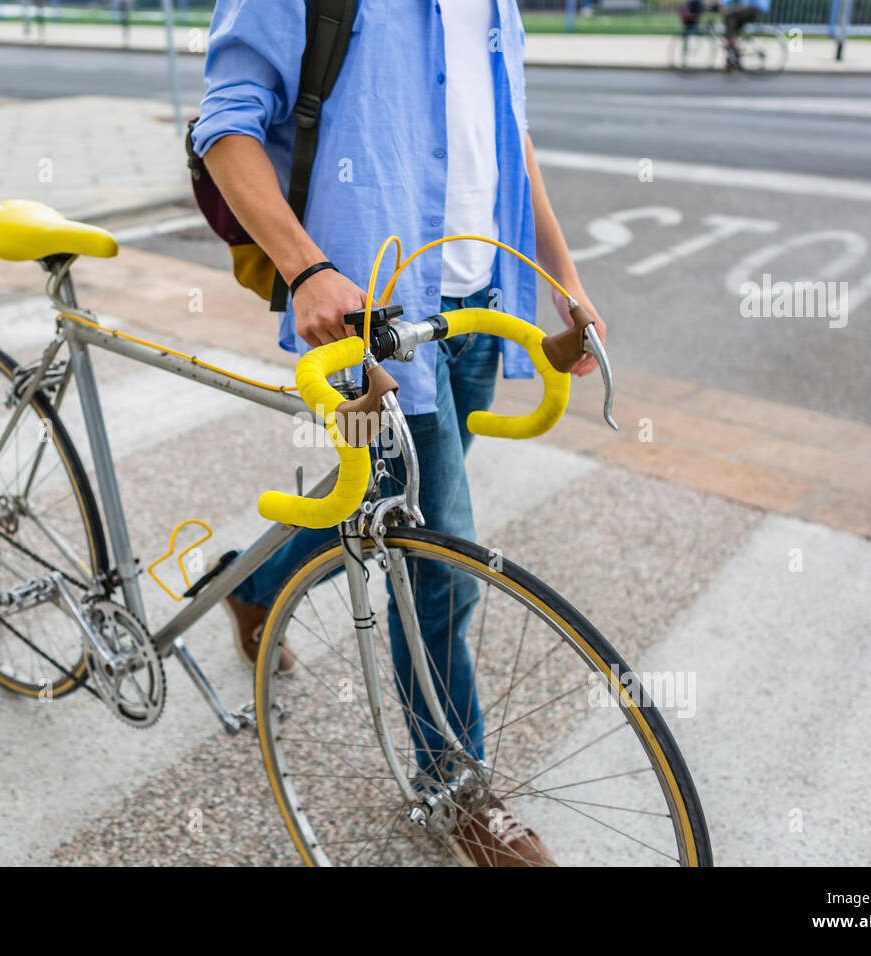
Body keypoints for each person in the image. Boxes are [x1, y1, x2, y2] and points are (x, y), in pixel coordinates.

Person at [192, 0, 606, 866]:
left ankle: (248, 582)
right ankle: (456, 788)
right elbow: (227, 126)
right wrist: (306, 268)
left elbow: (509, 138)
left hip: (476, 311)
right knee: (443, 570)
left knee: (382, 501)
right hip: (371, 316)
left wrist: (563, 281)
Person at [718, 0, 770, 66]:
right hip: (755, 9)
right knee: (733, 27)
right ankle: (733, 54)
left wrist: (722, 3)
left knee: (729, 15)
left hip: (754, 8)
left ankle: (731, 45)